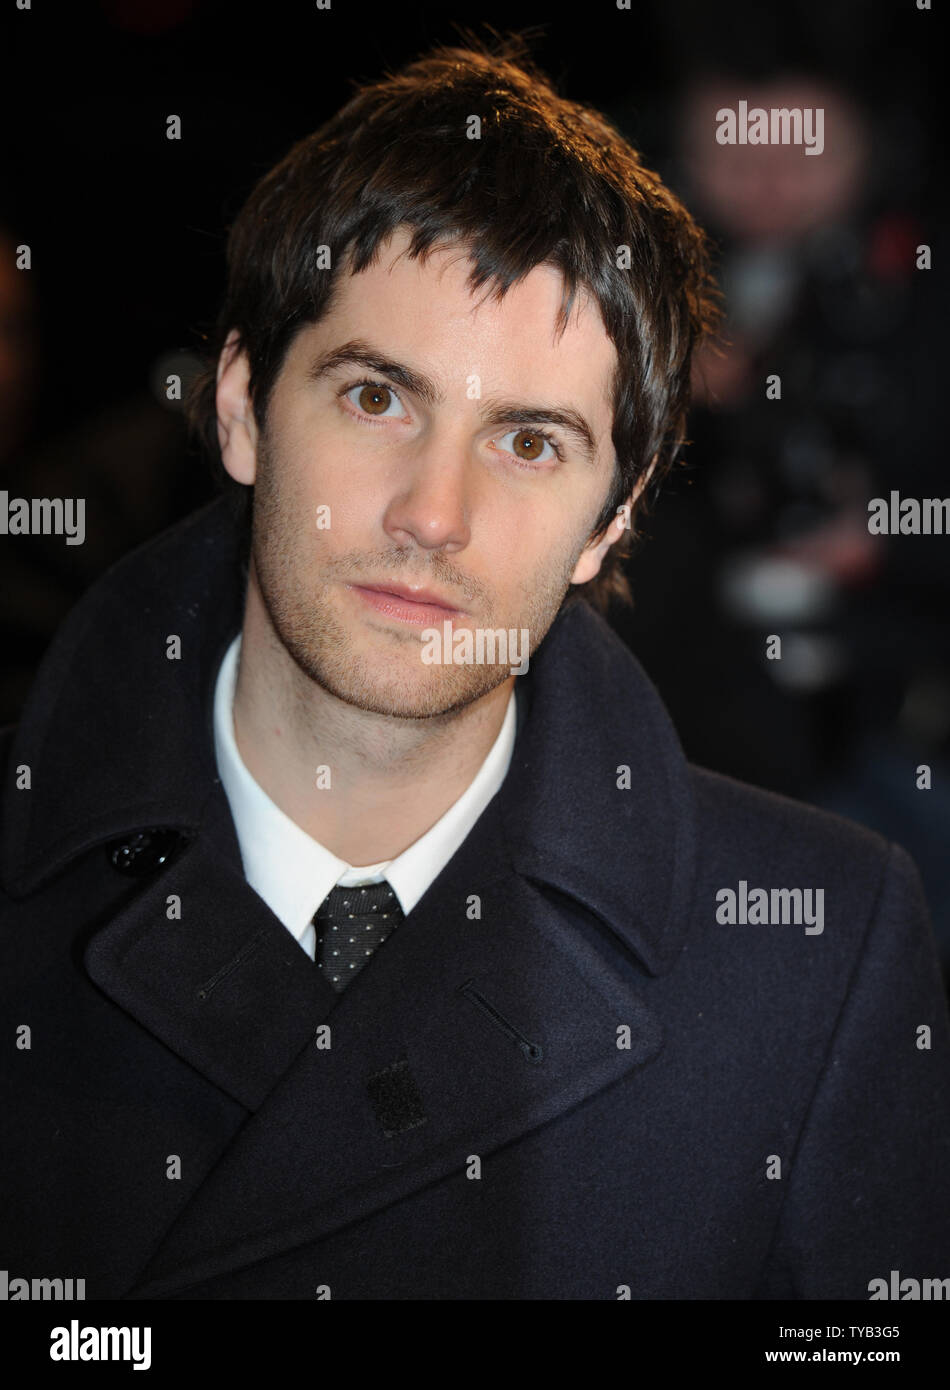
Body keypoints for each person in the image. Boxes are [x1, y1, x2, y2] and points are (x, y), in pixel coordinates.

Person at [1, 34, 947, 1302]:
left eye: (528, 440)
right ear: (237, 404)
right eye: (377, 400)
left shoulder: (820, 956)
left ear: (613, 518)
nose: (431, 514)